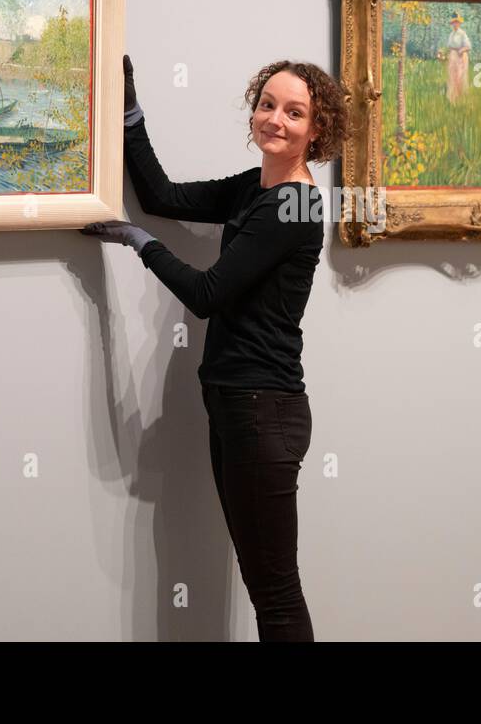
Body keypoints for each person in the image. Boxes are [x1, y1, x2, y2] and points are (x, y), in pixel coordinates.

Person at [82, 54, 347, 641]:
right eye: (267, 104)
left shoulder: (295, 206)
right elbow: (164, 196)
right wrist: (130, 112)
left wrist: (139, 244)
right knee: (266, 589)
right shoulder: (257, 189)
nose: (275, 119)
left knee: (276, 595)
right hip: (237, 404)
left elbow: (206, 294)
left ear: (317, 130)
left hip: (264, 411)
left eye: (294, 112)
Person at [445, 11, 472, 105]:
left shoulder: (462, 34)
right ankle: (452, 99)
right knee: (452, 77)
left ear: (459, 23)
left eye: (456, 22)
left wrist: (461, 50)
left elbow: (468, 46)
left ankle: (461, 99)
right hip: (453, 57)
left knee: (460, 78)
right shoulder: (451, 34)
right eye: (453, 22)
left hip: (460, 57)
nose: (455, 24)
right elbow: (449, 46)